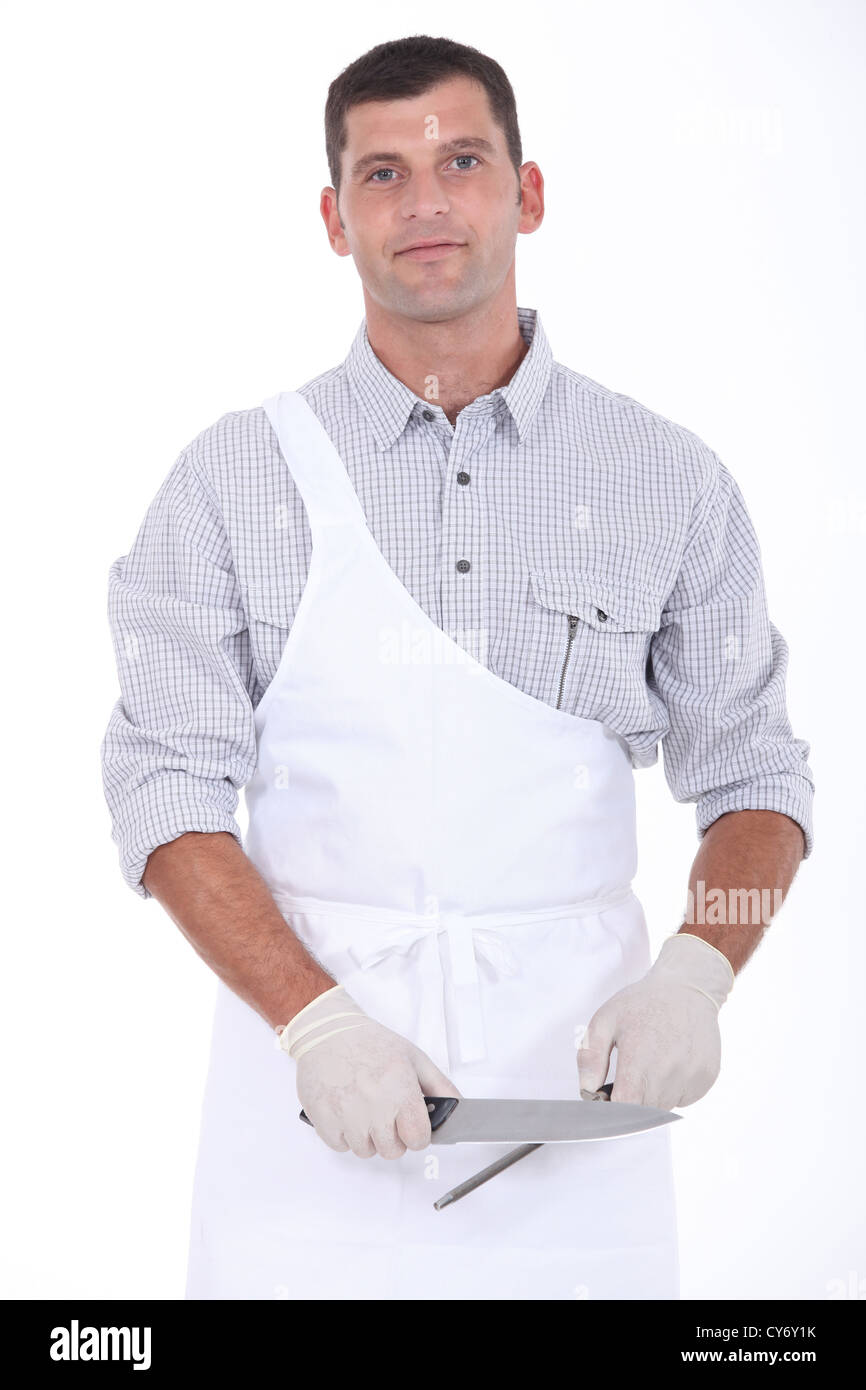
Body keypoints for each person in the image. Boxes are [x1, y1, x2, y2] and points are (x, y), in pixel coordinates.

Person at [100, 34, 814, 1301]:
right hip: (306, 1135)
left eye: (461, 160)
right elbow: (164, 795)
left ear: (526, 194)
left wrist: (697, 973)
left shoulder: (663, 477)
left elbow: (754, 771)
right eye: (381, 174)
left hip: (572, 1124)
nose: (424, 201)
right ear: (333, 219)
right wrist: (315, 1022)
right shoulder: (233, 481)